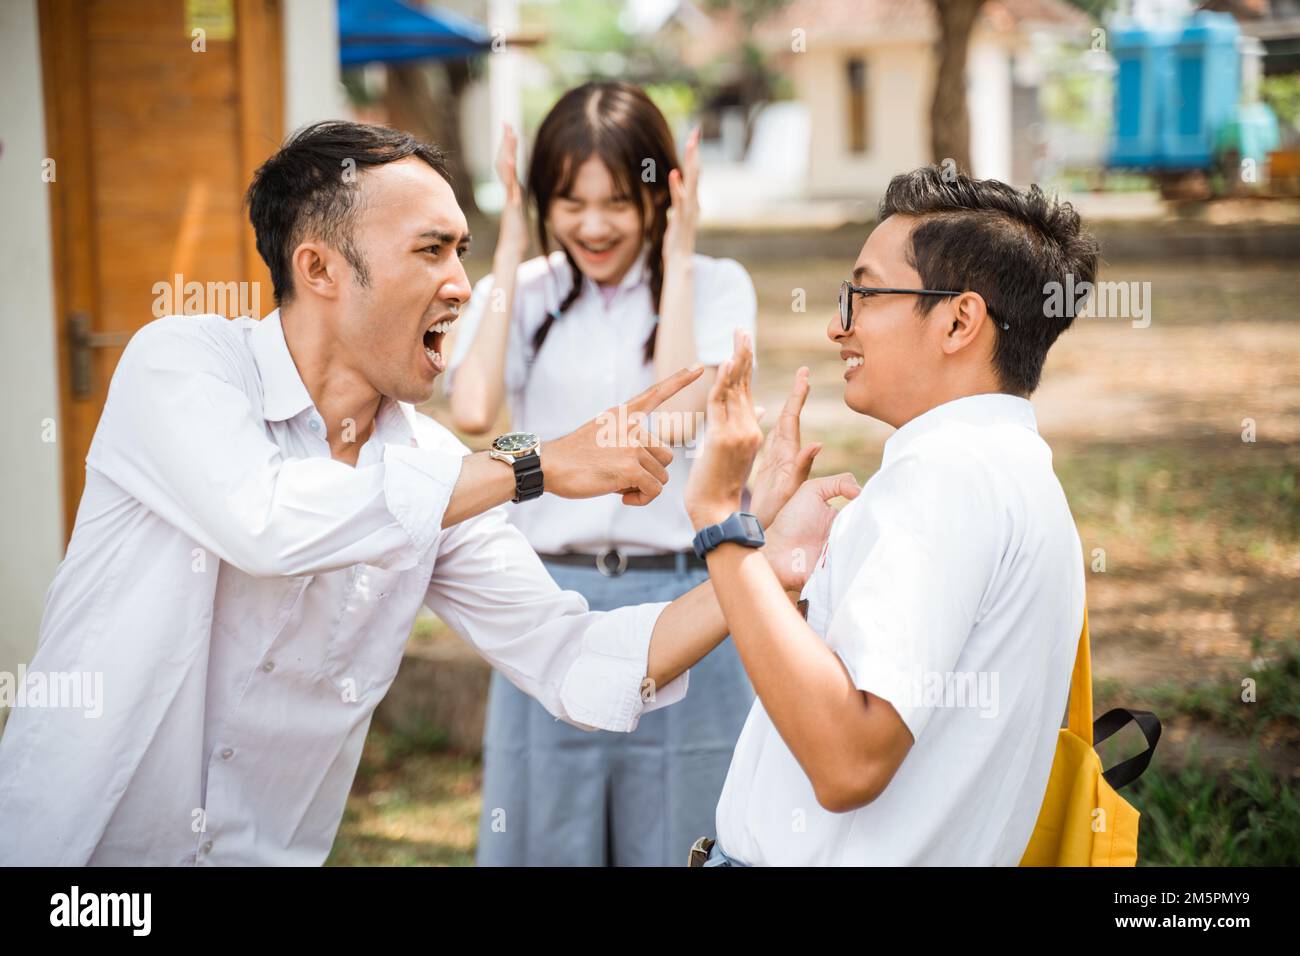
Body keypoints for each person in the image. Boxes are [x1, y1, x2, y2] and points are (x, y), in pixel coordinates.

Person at [0, 120, 836, 866]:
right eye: (430, 250)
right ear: (319, 268)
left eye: (462, 251)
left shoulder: (432, 471)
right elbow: (268, 523)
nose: (463, 285)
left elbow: (577, 660)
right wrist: (534, 463)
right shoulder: (179, 366)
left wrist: (752, 554)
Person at [682, 167, 1099, 866]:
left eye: (865, 293)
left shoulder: (945, 477)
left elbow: (849, 761)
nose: (837, 325)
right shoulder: (1016, 472)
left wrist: (721, 522)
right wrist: (770, 567)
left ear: (959, 320)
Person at [444, 82, 779, 866]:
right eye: (569, 201)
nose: (593, 226)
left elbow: (674, 421)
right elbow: (472, 408)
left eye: (620, 202)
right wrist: (505, 251)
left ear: (661, 196)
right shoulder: (517, 294)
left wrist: (679, 251)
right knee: (545, 843)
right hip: (549, 608)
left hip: (690, 604)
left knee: (688, 837)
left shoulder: (718, 283)